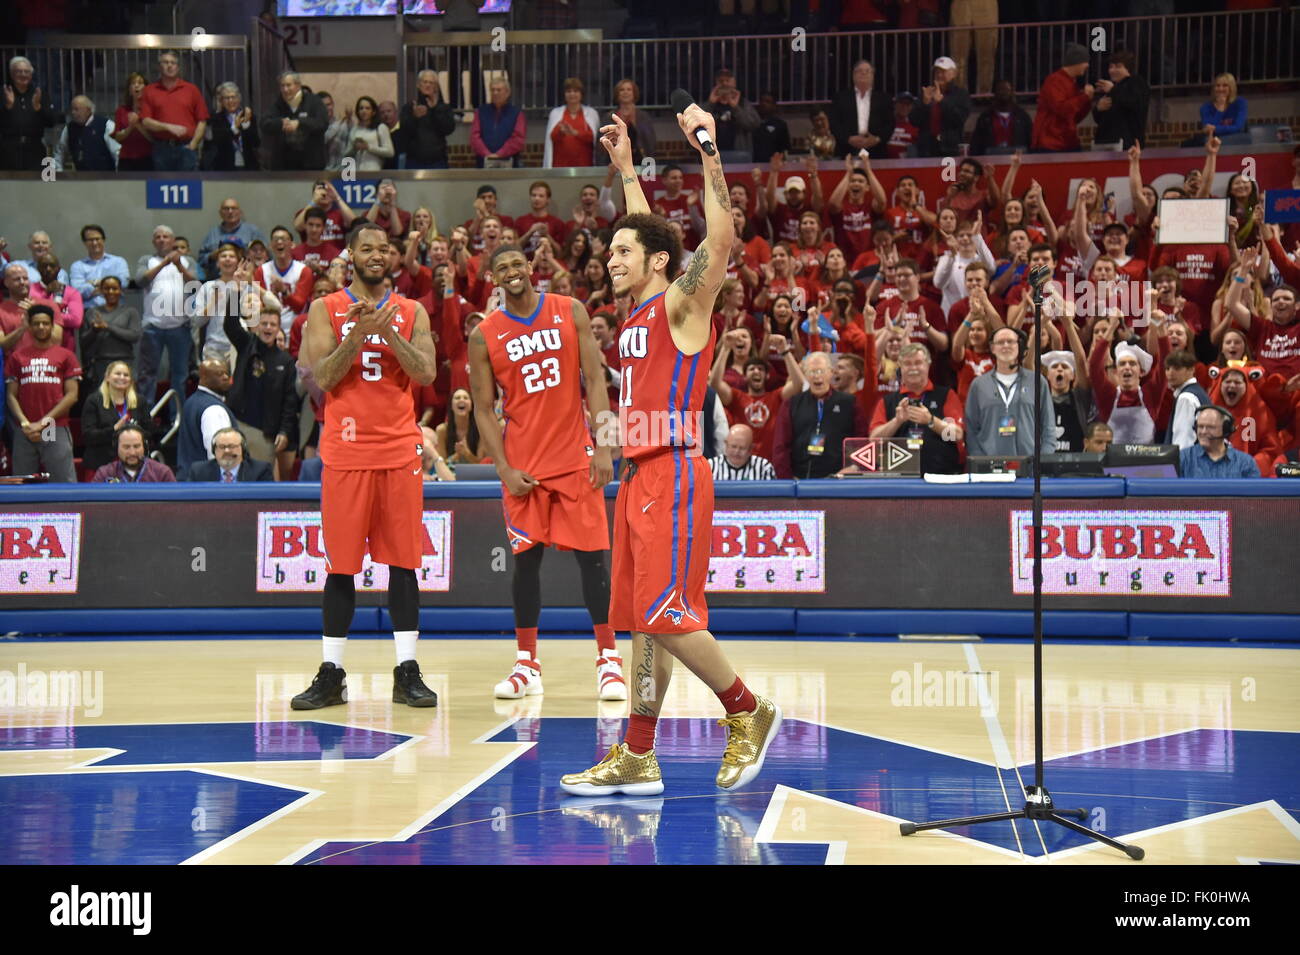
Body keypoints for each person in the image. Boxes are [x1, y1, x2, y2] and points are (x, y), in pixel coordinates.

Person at [558, 110, 781, 798]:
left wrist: (707, 146)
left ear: (657, 264)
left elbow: (721, 237)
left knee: (667, 614)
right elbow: (649, 230)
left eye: (623, 253)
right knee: (645, 624)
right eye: (612, 251)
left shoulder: (685, 307)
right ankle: (638, 752)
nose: (612, 259)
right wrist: (627, 168)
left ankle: (747, 708)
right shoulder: (641, 310)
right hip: (639, 475)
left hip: (676, 471)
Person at [468, 243, 623, 700]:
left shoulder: (569, 309)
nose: (512, 271)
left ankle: (609, 660)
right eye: (502, 268)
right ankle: (526, 664)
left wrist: (603, 443)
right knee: (525, 566)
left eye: (518, 263)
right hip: (525, 468)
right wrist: (503, 468)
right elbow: (481, 409)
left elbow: (594, 380)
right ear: (493, 278)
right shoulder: (484, 335)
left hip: (576, 456)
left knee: (593, 561)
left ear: (531, 268)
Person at [295, 221, 440, 710]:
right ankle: (332, 673)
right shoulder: (324, 308)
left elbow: (425, 373)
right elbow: (324, 378)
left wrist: (389, 333)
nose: (377, 255)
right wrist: (359, 333)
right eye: (367, 248)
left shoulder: (412, 310)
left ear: (393, 257)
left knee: (403, 564)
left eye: (384, 249)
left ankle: (407, 670)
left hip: (399, 452)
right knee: (341, 567)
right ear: (350, 255)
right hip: (345, 453)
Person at [4, 305, 80, 482]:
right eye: (36, 323)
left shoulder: (65, 355)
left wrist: (43, 423)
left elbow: (72, 396)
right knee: (22, 483)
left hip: (52, 426)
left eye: (45, 323)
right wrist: (25, 423)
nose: (41, 327)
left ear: (52, 326)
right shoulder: (17, 356)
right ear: (29, 326)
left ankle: (65, 511)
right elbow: (11, 395)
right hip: (25, 428)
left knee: (62, 481)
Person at [224, 306, 301, 479]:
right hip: (238, 424)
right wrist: (236, 291)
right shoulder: (246, 344)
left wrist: (284, 431)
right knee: (233, 478)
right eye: (264, 323)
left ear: (278, 328)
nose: (268, 328)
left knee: (258, 480)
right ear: (257, 325)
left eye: (273, 324)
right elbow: (230, 324)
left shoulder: (286, 361)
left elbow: (290, 401)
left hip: (266, 433)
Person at [868, 344, 965, 474]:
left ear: (928, 365)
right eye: (907, 363)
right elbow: (874, 441)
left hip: (941, 476)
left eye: (918, 362)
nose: (913, 368)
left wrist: (930, 420)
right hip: (898, 478)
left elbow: (957, 435)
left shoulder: (946, 394)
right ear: (900, 368)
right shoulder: (887, 401)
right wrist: (896, 421)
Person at [711, 333, 804, 463]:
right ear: (744, 376)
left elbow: (799, 385)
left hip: (771, 463)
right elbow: (714, 384)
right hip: (741, 463)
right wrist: (725, 349)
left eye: (760, 369)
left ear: (767, 376)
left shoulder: (776, 396)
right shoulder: (737, 397)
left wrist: (785, 351)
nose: (756, 372)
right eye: (751, 369)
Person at [135, 225, 198, 415]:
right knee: (147, 375)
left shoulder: (187, 261)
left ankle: (176, 418)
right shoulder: (147, 260)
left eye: (166, 237)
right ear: (154, 242)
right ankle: (146, 417)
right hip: (152, 327)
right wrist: (164, 263)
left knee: (179, 376)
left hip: (180, 327)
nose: (162, 240)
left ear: (172, 241)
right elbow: (140, 281)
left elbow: (194, 284)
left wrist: (178, 265)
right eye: (158, 237)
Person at [964, 326, 1055, 457]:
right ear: (992, 348)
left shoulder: (1037, 381)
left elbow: (1048, 427)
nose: (1006, 345)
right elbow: (971, 429)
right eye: (1000, 342)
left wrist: (1043, 461)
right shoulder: (978, 385)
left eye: (1011, 341)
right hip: (989, 470)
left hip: (1031, 469)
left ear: (1019, 346)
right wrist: (980, 460)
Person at [772, 351, 865, 479]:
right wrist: (787, 481)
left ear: (831, 373)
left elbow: (861, 439)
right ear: (805, 375)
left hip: (838, 480)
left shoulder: (849, 402)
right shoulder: (792, 404)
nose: (817, 376)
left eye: (821, 371)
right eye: (812, 372)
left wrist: (854, 467)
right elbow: (781, 447)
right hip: (800, 479)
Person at [138, 50, 208, 172]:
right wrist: (168, 127)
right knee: (160, 186)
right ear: (159, 66)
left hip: (186, 147)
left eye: (173, 63)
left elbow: (202, 120)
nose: (170, 65)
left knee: (190, 186)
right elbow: (146, 121)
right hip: (161, 148)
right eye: (165, 62)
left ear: (178, 67)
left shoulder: (191, 90)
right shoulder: (150, 90)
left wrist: (194, 144)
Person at [80, 360, 153, 474]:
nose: (122, 377)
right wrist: (114, 429)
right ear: (107, 377)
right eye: (117, 374)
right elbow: (88, 436)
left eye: (126, 375)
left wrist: (134, 433)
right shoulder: (94, 401)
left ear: (130, 380)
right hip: (100, 465)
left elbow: (149, 431)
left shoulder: (140, 401)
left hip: (134, 465)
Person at [78, 276, 140, 394]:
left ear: (120, 290)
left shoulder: (130, 312)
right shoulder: (92, 312)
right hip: (100, 365)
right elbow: (83, 342)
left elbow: (134, 336)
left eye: (114, 288)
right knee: (102, 403)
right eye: (106, 288)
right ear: (101, 291)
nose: (111, 292)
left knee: (126, 401)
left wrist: (107, 327)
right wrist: (94, 330)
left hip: (124, 363)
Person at [176, 358, 237, 475]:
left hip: (189, 478)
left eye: (226, 373)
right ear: (204, 378)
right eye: (219, 374)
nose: (225, 377)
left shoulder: (192, 400)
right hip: (206, 483)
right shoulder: (214, 410)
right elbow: (220, 455)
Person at [1032, 44, 1093, 153]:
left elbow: (1075, 116)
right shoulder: (1055, 81)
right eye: (1085, 61)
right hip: (1051, 142)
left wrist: (1087, 100)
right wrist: (1084, 97)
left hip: (1067, 141)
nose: (1087, 65)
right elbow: (1062, 109)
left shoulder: (1071, 82)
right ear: (1076, 62)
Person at [260, 71, 327, 171]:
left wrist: (299, 123)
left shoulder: (314, 101)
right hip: (283, 164)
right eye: (282, 86)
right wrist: (281, 123)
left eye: (288, 85)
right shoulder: (278, 103)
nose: (285, 89)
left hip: (311, 163)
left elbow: (322, 123)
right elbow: (264, 123)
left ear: (298, 85)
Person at [1, 56, 59, 171]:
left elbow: (51, 122)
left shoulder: (40, 94)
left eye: (26, 71)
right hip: (7, 150)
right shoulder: (3, 93)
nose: (23, 74)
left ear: (31, 75)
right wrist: (8, 107)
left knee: (34, 186)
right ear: (12, 74)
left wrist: (38, 108)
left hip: (35, 149)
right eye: (19, 71)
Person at [910, 56, 971, 158]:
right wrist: (924, 103)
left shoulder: (961, 95)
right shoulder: (926, 93)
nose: (939, 75)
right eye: (937, 72)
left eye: (943, 72)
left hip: (950, 149)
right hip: (926, 149)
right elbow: (914, 120)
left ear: (954, 73)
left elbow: (959, 119)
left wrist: (942, 101)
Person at [829, 60, 892, 157]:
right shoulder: (840, 98)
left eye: (867, 71)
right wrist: (848, 139)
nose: (863, 73)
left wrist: (876, 139)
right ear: (853, 75)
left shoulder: (884, 99)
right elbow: (834, 123)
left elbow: (890, 124)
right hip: (847, 150)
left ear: (873, 76)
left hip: (877, 151)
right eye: (860, 71)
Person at [197, 198, 267, 280]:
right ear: (220, 213)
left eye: (233, 208)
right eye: (226, 209)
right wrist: (212, 256)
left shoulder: (253, 232)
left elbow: (266, 257)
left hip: (247, 282)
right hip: (217, 283)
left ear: (240, 212)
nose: (230, 211)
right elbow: (200, 261)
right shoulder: (212, 234)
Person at [1179, 406, 1259, 478]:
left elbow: (1255, 492)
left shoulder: (1246, 463)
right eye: (1200, 426)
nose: (1203, 432)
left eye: (1210, 427)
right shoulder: (1180, 458)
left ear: (1225, 430)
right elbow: (1168, 488)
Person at [399, 70, 457, 169]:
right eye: (425, 82)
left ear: (436, 86)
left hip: (438, 161)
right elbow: (404, 131)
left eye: (431, 83)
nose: (428, 85)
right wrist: (414, 117)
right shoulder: (409, 107)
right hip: (414, 161)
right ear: (418, 84)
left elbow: (448, 129)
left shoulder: (443, 107)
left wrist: (435, 109)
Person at [1091, 50, 1148, 149]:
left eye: (1118, 66)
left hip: (1126, 143)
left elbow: (1132, 103)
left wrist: (1113, 90)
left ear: (1128, 69)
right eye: (1111, 66)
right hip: (1104, 141)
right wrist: (1098, 108)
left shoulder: (1136, 83)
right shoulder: (1113, 87)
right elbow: (1100, 118)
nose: (1112, 70)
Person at [543, 77, 600, 168]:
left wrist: (575, 133)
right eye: (569, 91)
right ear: (564, 94)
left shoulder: (592, 114)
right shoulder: (556, 113)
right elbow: (551, 138)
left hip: (585, 166)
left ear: (581, 94)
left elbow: (594, 138)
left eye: (576, 91)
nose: (572, 94)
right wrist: (561, 132)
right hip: (560, 167)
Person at [704, 68, 760, 160]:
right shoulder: (710, 105)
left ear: (734, 84)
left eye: (728, 80)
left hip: (740, 154)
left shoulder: (743, 103)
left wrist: (735, 107)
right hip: (712, 153)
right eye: (721, 81)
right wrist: (710, 104)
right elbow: (697, 126)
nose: (724, 83)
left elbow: (754, 125)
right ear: (716, 84)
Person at [70, 225, 130, 311]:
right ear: (84, 243)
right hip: (89, 311)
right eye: (90, 240)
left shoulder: (118, 262)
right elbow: (77, 291)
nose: (94, 243)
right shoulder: (77, 266)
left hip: (116, 311)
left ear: (103, 240)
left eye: (97, 239)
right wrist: (109, 287)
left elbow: (123, 283)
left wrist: (93, 282)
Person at [53, 95, 119, 171]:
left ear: (88, 110)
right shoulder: (69, 129)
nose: (73, 112)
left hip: (106, 178)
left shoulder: (106, 125)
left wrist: (118, 177)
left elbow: (117, 153)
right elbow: (60, 153)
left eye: (76, 109)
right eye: (72, 109)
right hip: (81, 178)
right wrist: (59, 172)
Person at [91, 424, 174, 483]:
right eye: (126, 447)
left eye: (137, 446)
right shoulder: (104, 474)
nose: (132, 452)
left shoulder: (162, 473)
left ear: (144, 447)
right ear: (117, 448)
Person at [183, 427, 273, 482]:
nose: (227, 451)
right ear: (214, 451)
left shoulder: (261, 471)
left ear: (243, 449)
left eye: (232, 446)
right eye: (222, 447)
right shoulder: (198, 471)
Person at [471, 77, 525, 168]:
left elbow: (518, 139)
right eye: (492, 90)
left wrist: (499, 155)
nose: (495, 93)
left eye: (499, 90)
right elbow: (474, 136)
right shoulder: (481, 112)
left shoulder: (517, 113)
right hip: (483, 163)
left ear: (507, 93)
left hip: (509, 163)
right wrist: (487, 155)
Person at [204, 82, 259, 170]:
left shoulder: (248, 116)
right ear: (221, 101)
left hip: (249, 166)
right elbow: (217, 141)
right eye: (227, 98)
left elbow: (256, 143)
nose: (230, 101)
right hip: (225, 166)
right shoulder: (215, 118)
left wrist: (246, 125)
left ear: (239, 98)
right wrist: (234, 128)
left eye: (233, 97)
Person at [949, 0, 998, 97]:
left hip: (986, 7)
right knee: (958, 55)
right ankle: (959, 93)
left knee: (986, 54)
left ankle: (984, 94)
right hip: (961, 6)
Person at [970, 80, 1033, 155]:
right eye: (1000, 90)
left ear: (1012, 93)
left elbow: (1030, 141)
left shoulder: (1023, 116)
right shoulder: (985, 117)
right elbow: (976, 143)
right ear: (995, 93)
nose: (1004, 93)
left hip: (1017, 160)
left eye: (1007, 90)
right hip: (991, 160)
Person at [1163, 349, 1210, 448]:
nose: (1170, 373)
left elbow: (1183, 441)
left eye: (1177, 368)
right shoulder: (1198, 392)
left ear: (1191, 370)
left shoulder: (1186, 398)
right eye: (1167, 368)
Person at [1186, 73, 1247, 147]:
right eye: (1218, 86)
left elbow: (1238, 127)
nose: (1220, 89)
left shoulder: (1240, 103)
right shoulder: (1205, 108)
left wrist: (1216, 128)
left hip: (1236, 143)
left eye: (1225, 86)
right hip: (1213, 145)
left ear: (1232, 88)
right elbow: (1209, 131)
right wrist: (1220, 109)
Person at [112, 71, 153, 171]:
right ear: (129, 90)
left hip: (147, 158)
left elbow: (154, 139)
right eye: (133, 83)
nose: (136, 86)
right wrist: (130, 127)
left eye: (140, 83)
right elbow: (117, 137)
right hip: (126, 159)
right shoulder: (121, 111)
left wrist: (137, 125)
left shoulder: (152, 110)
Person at [343, 96, 394, 172]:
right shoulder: (355, 129)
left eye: (367, 108)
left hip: (374, 172)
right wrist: (354, 148)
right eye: (361, 108)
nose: (364, 111)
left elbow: (390, 152)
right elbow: (346, 155)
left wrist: (368, 147)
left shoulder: (380, 128)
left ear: (373, 112)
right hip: (356, 173)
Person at [711, 423, 776, 481]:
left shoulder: (764, 467)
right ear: (726, 444)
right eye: (733, 446)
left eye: (742, 448)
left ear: (750, 449)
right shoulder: (711, 466)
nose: (737, 452)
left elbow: (772, 493)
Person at [612, 77, 655, 163]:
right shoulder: (610, 116)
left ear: (634, 93)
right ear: (617, 94)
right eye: (622, 90)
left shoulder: (643, 116)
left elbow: (650, 141)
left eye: (629, 89)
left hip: (641, 162)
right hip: (616, 162)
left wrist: (634, 124)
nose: (625, 92)